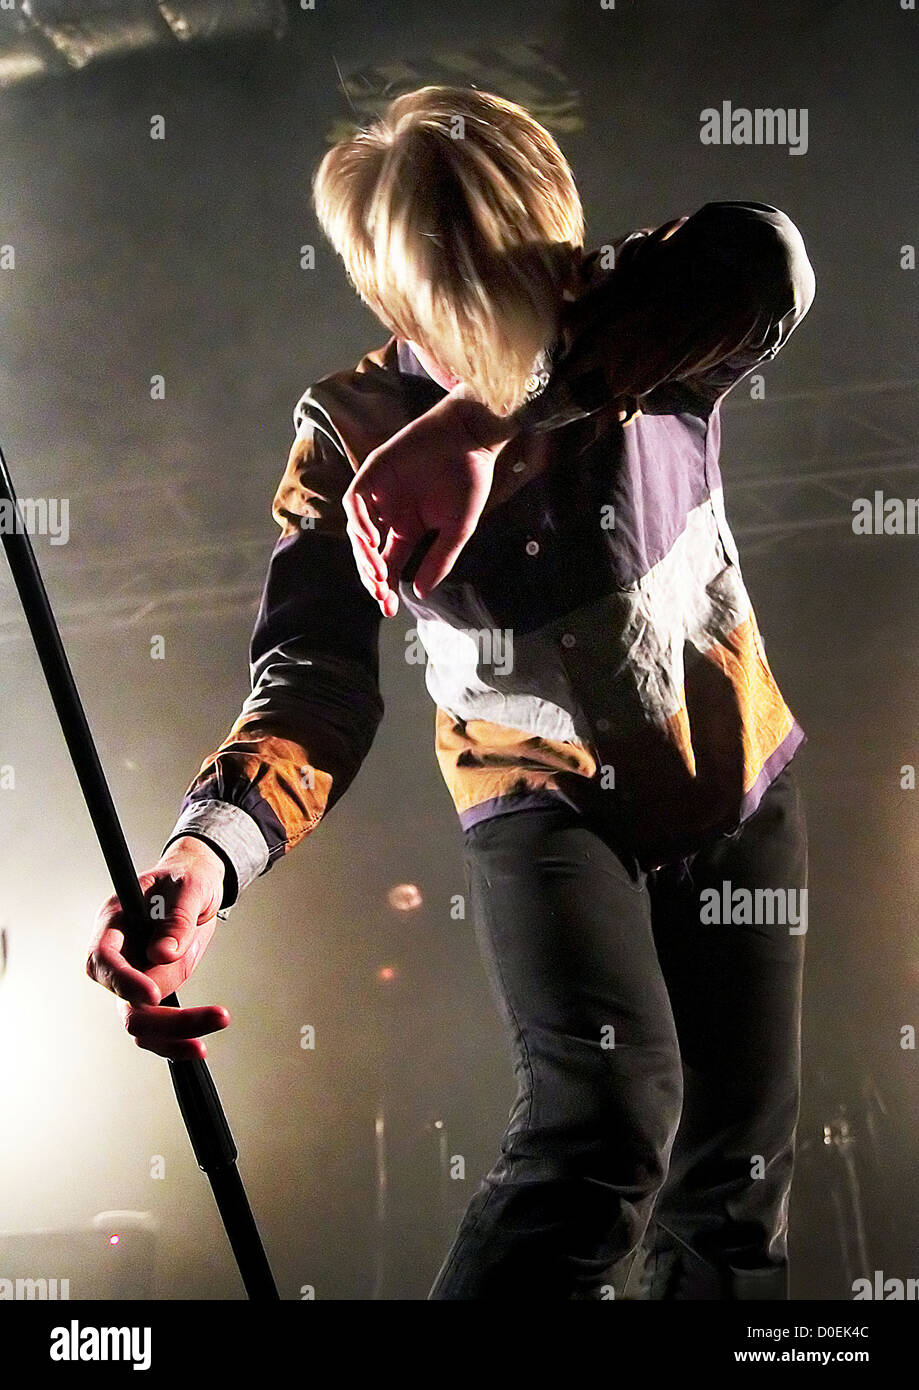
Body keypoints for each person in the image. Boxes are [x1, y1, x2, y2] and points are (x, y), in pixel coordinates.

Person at [86, 85, 816, 1300]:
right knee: (601, 1124)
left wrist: (492, 422)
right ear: (391, 290)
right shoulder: (345, 430)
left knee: (734, 1186)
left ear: (556, 233)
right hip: (536, 801)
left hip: (729, 771)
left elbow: (767, 258)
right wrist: (205, 859)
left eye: (519, 270)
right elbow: (312, 679)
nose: (496, 311)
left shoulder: (640, 311)